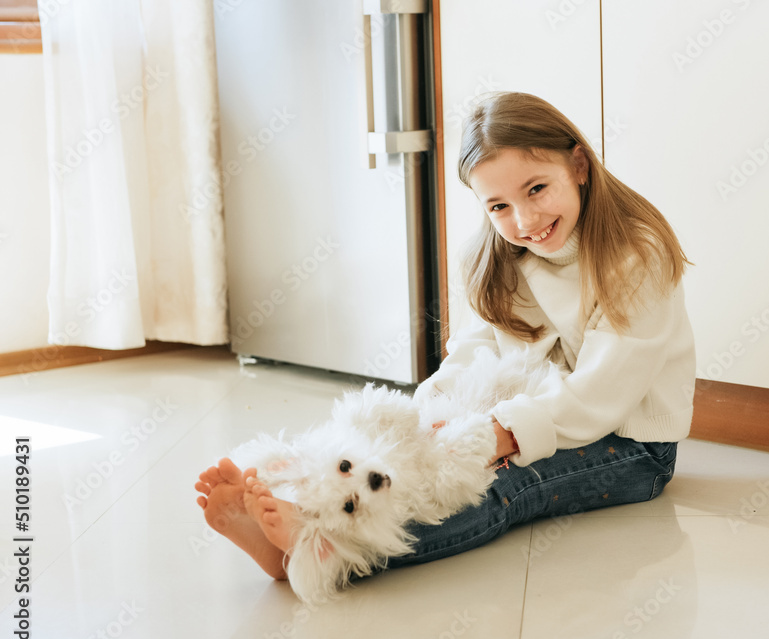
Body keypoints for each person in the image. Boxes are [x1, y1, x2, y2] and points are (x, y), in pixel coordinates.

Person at [194, 90, 696, 579]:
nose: (524, 220)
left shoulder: (635, 256)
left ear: (579, 166)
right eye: (498, 206)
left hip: (633, 446)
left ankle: (328, 555)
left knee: (502, 483)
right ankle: (304, 508)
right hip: (528, 409)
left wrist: (500, 436)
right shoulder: (500, 256)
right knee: (391, 455)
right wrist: (428, 416)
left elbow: (601, 393)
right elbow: (475, 352)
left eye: (537, 189)